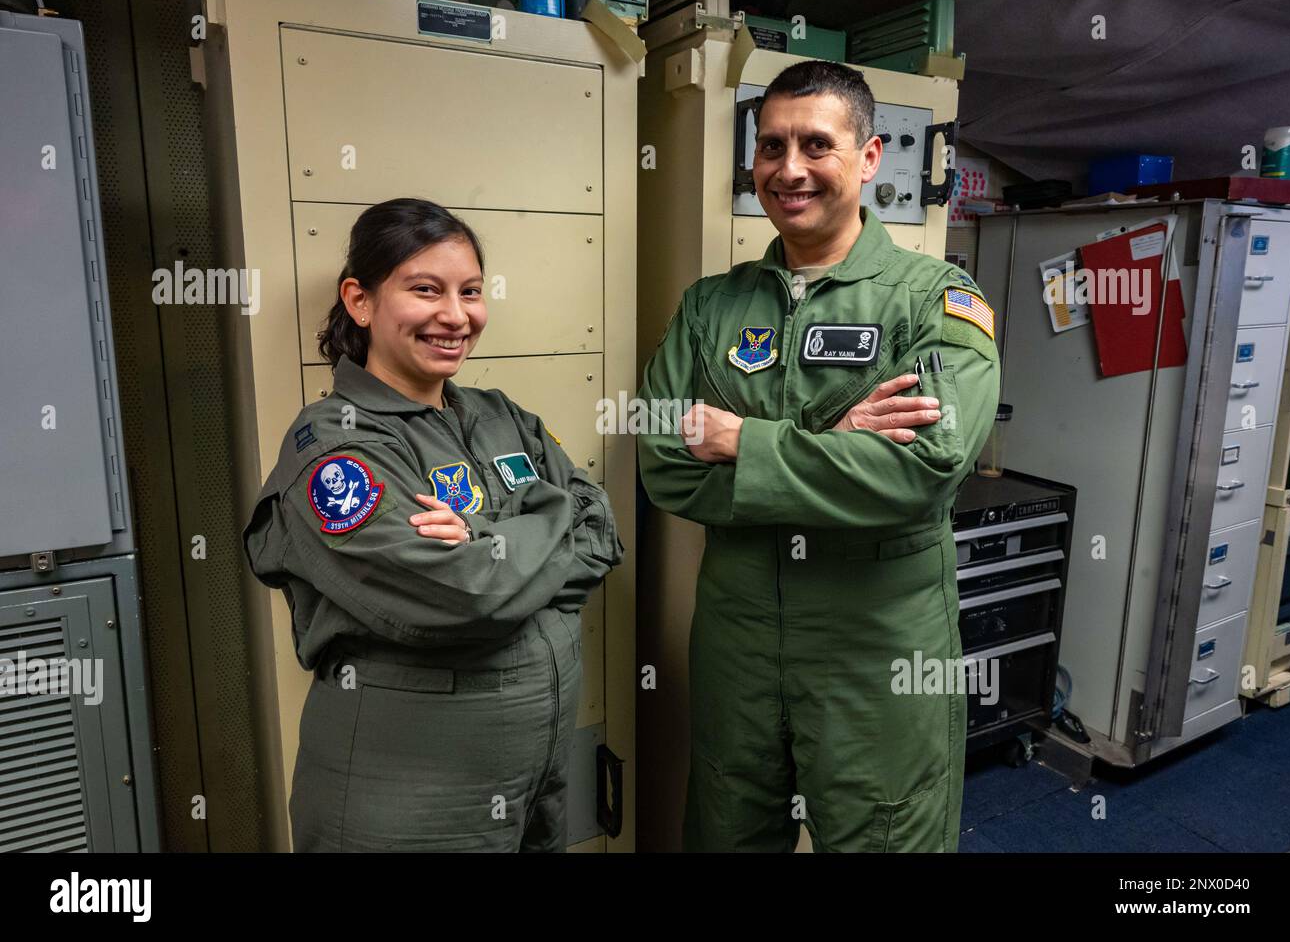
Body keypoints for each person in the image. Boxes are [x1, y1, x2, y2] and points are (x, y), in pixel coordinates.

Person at [637, 61, 1000, 852]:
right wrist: (835, 450)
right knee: (727, 831)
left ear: (869, 158)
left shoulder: (934, 301)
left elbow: (923, 470)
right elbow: (663, 460)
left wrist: (743, 442)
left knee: (883, 834)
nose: (789, 169)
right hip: (738, 639)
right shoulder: (711, 306)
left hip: (877, 649)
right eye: (771, 147)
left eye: (815, 145)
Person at [243, 198, 622, 851]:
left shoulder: (501, 415)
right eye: (426, 289)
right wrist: (545, 517)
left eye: (470, 291)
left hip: (535, 781)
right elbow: (467, 594)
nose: (455, 315)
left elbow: (603, 533)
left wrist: (486, 539)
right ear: (360, 301)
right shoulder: (334, 451)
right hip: (412, 802)